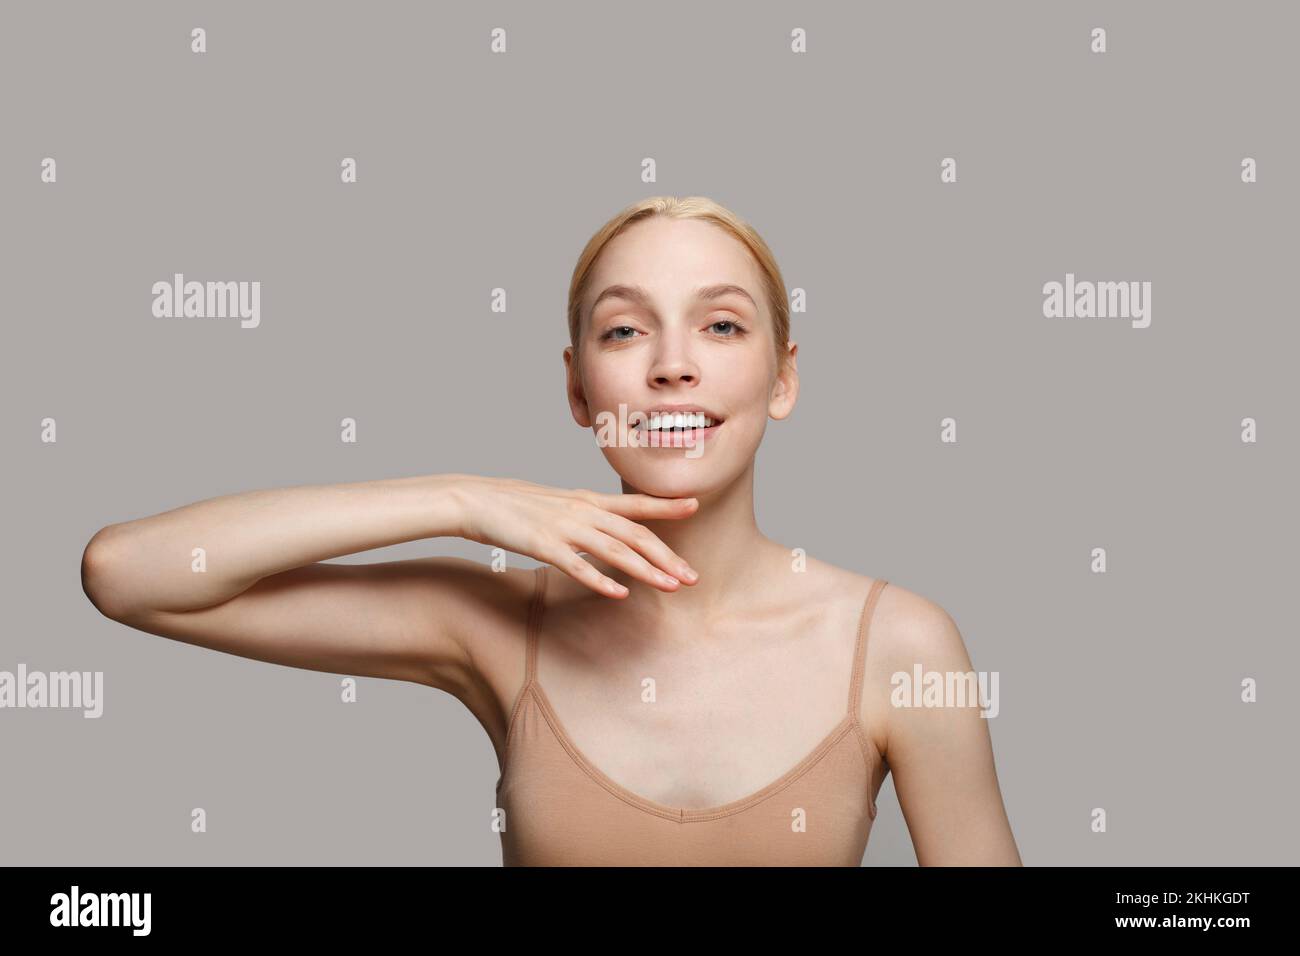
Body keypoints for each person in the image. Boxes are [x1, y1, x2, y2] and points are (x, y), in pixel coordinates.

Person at [80, 196, 1021, 866]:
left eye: (723, 327)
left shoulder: (897, 645)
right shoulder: (490, 620)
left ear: (784, 378)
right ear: (578, 387)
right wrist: (460, 497)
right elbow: (127, 574)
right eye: (624, 333)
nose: (673, 367)